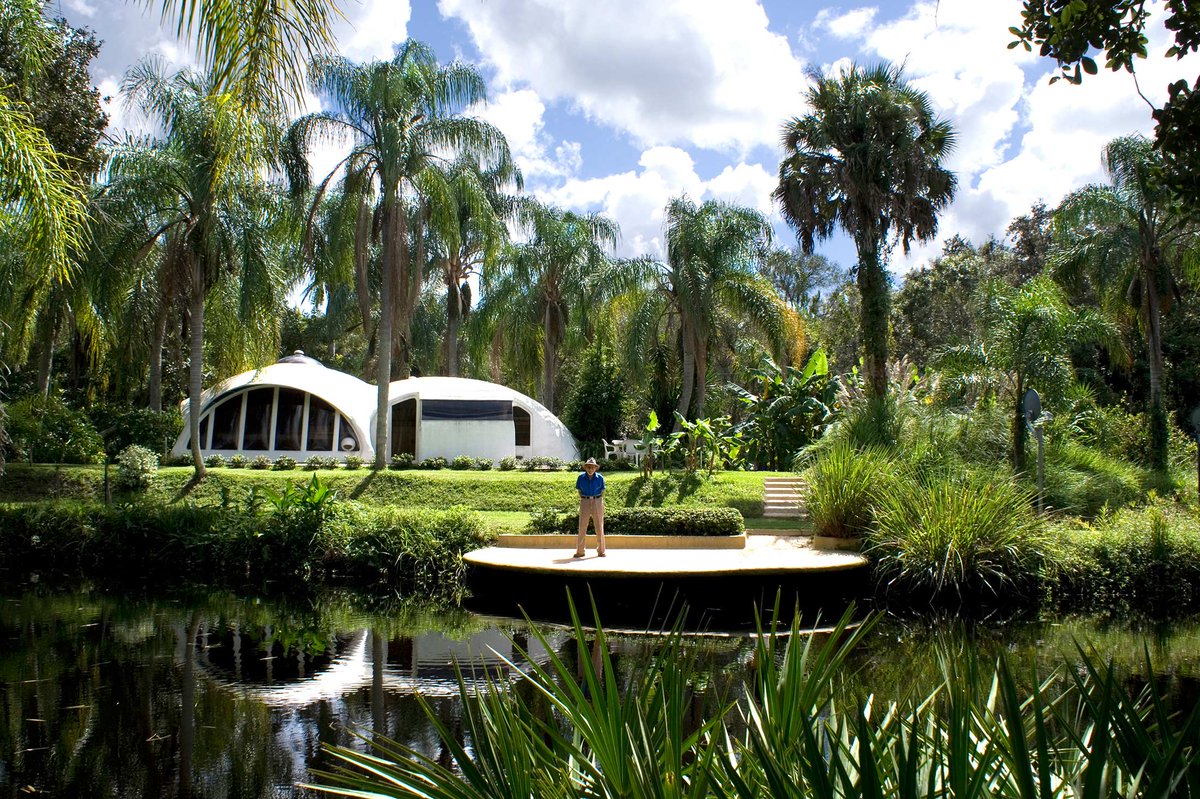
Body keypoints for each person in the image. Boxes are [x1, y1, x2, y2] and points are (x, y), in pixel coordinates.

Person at [574, 457, 606, 557]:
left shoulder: (600, 478)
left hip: (597, 501)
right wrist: (585, 499)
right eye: (588, 467)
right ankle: (580, 551)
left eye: (592, 467)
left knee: (599, 526)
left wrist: (597, 500)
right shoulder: (580, 478)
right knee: (582, 526)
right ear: (586, 468)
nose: (590, 469)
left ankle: (601, 551)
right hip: (585, 502)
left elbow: (602, 490)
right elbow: (579, 490)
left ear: (595, 468)